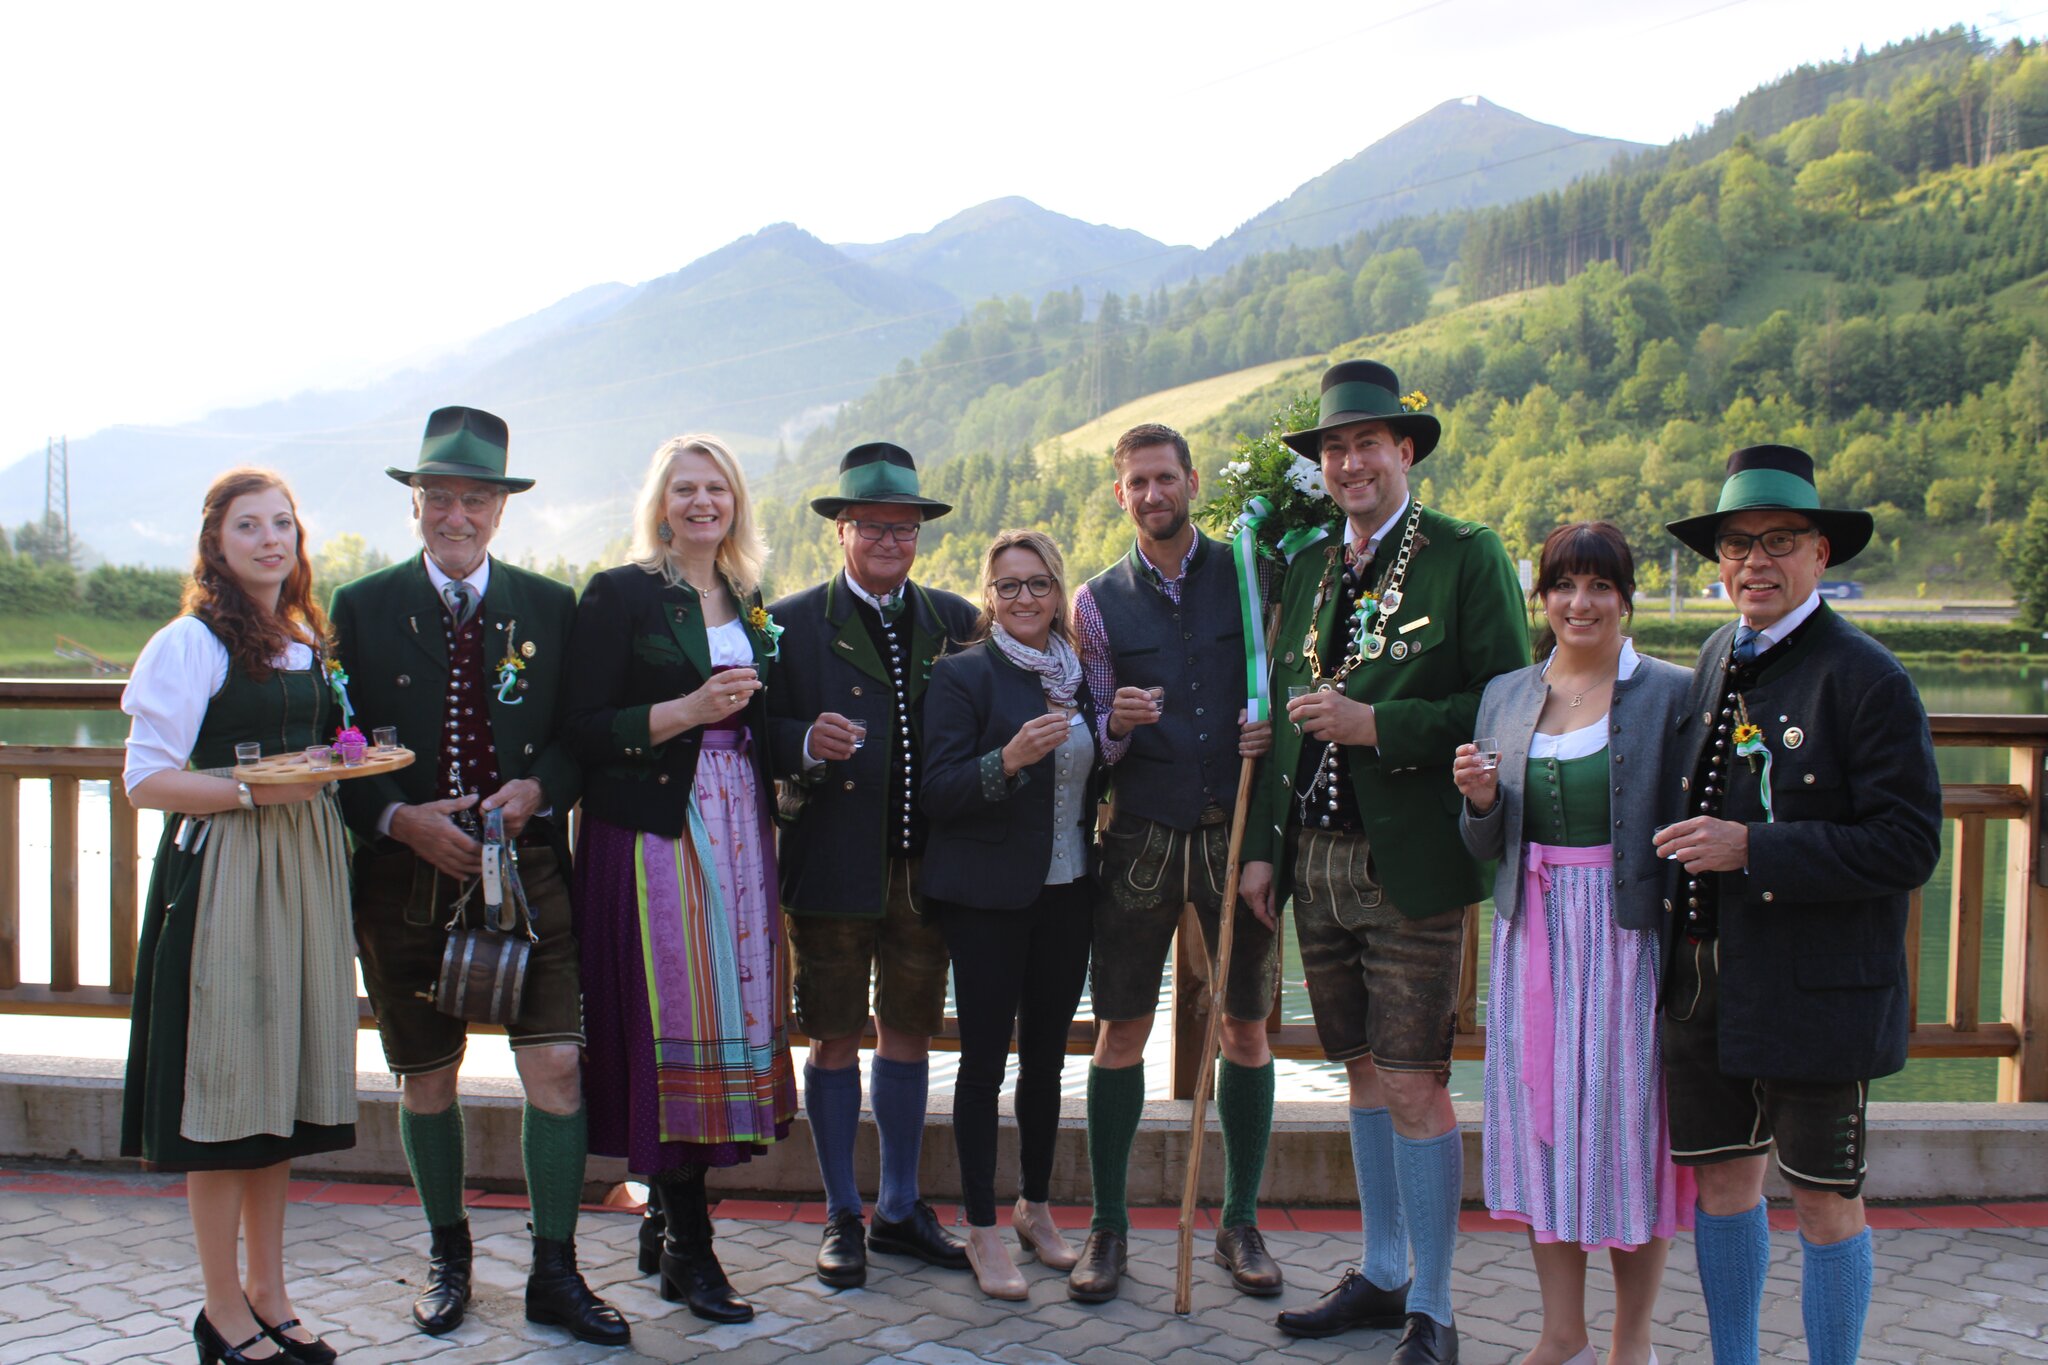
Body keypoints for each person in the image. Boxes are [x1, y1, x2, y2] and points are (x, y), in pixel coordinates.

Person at [1240, 359, 1526, 1365]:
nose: (1349, 462)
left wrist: (1379, 726)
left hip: (1410, 864)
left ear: (1405, 449)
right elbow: (1286, 715)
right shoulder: (1313, 563)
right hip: (1315, 861)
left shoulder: (1465, 554)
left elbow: (1508, 700)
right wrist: (1264, 853)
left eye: (1367, 443)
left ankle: (1434, 1308)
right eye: (1333, 448)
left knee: (1412, 1083)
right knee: (1358, 1070)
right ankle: (1382, 1269)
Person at [331, 406, 625, 1346]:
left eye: (475, 499)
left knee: (558, 1066)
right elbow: (334, 749)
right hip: (403, 879)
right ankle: (447, 1254)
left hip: (528, 869)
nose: (456, 515)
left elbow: (581, 735)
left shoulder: (551, 604)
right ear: (415, 503)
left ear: (501, 509)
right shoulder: (360, 606)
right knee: (427, 1079)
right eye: (439, 497)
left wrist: (543, 787)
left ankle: (555, 1270)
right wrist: (398, 819)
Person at [1653, 446, 1942, 1365]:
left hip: (1818, 990)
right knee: (1722, 1188)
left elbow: (1909, 845)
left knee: (1823, 1199)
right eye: (1737, 544)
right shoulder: (1714, 654)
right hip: (1704, 980)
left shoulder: (1868, 676)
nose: (1755, 561)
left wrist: (1755, 848)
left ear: (1821, 553)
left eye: (1779, 540)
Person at [121, 468, 354, 1365]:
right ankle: (221, 1307)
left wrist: (340, 762)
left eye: (282, 523)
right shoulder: (189, 642)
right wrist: (254, 790)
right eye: (249, 525)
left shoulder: (304, 635)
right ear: (215, 542)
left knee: (276, 1087)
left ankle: (270, 1292)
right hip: (227, 871)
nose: (270, 539)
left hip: (302, 865)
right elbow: (146, 780)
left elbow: (319, 749)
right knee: (227, 1092)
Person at [565, 433, 796, 1326]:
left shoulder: (747, 598)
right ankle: (690, 1248)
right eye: (686, 488)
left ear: (736, 503)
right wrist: (687, 710)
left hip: (740, 823)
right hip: (655, 829)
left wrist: (802, 746)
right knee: (677, 1020)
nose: (703, 502)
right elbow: (585, 726)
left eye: (717, 488)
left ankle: (665, 1221)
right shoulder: (620, 592)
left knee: (729, 1013)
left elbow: (761, 719)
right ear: (660, 504)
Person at [1453, 523, 1693, 1365]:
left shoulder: (1670, 692)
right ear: (1543, 597)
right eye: (1563, 585)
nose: (1579, 603)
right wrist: (1481, 801)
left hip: (1627, 941)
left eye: (1599, 586)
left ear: (1626, 597)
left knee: (1627, 1132)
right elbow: (1484, 844)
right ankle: (1562, 1332)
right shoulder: (1507, 694)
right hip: (1533, 935)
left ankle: (1632, 1341)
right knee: (1542, 1130)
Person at [1068, 422, 1278, 1303]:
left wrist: (1273, 729)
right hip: (1139, 837)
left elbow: (1285, 686)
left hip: (1235, 830)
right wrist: (1116, 723)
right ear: (1120, 494)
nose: (1153, 493)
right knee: (1120, 1029)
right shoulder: (1092, 602)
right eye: (1137, 482)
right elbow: (1090, 738)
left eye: (1165, 477)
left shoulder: (1252, 573)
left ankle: (1239, 1221)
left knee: (1245, 1028)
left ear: (1191, 480)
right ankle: (1107, 1226)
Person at [765, 442, 977, 1288]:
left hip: (927, 868)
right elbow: (749, 733)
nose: (892, 540)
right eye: (874, 526)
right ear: (841, 530)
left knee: (911, 1029)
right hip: (830, 863)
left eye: (905, 527)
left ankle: (897, 1206)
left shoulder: (956, 619)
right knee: (832, 1034)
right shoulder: (787, 623)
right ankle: (839, 1212)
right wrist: (799, 740)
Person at [921, 529, 1099, 1301]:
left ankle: (1035, 1206)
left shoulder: (1082, 677)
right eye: (1008, 585)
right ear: (989, 597)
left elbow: (1095, 776)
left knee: (1048, 1059)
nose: (1024, 597)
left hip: (1070, 891)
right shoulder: (962, 674)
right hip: (987, 899)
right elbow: (937, 790)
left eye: (1038, 583)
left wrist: (1122, 731)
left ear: (1058, 592)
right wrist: (1008, 759)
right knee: (984, 1062)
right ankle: (982, 1228)